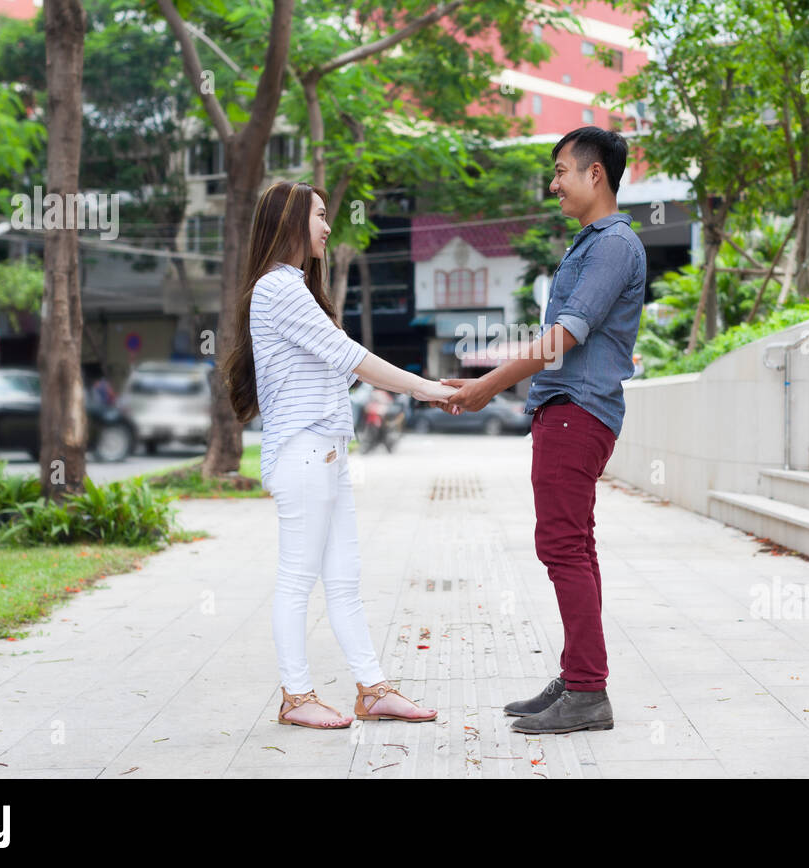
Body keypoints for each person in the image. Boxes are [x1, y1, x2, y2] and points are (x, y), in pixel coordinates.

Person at [223, 181, 456, 730]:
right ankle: (296, 697)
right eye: (320, 216)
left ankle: (371, 689)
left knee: (345, 580)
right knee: (297, 579)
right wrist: (430, 389)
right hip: (303, 453)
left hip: (326, 452)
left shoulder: (296, 288)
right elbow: (354, 357)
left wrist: (427, 388)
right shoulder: (278, 288)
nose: (328, 227)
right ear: (290, 221)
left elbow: (344, 368)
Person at [440, 127, 646, 734]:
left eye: (560, 171)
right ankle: (581, 676)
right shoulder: (593, 243)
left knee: (561, 546)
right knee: (575, 545)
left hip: (575, 411)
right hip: (571, 409)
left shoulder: (612, 245)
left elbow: (562, 339)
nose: (553, 184)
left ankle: (587, 691)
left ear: (595, 175)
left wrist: (487, 386)